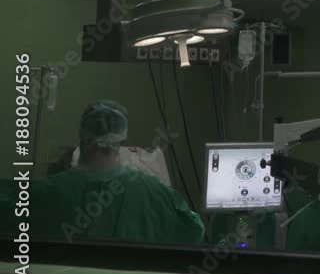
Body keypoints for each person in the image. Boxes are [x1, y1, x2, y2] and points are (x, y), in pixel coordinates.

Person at [33, 100, 204, 244]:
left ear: (82, 135)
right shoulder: (157, 195)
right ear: (121, 140)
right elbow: (194, 232)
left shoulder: (47, 192)